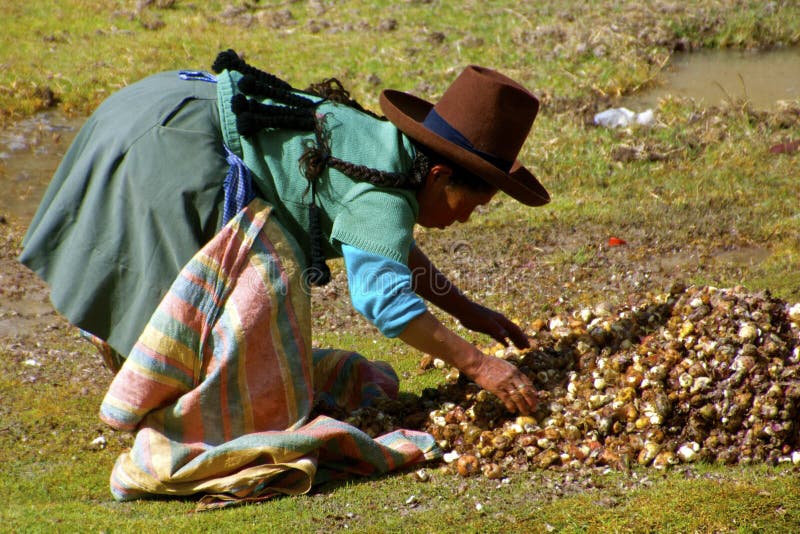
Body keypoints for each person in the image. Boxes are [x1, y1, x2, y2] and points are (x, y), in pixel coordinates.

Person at [19, 50, 549, 507]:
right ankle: (179, 428)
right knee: (189, 309)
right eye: (469, 205)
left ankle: (166, 402)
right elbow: (384, 301)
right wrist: (481, 367)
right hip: (172, 151)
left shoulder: (387, 153)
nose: (464, 219)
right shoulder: (385, 193)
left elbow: (386, 246)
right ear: (438, 175)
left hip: (155, 104)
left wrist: (465, 310)